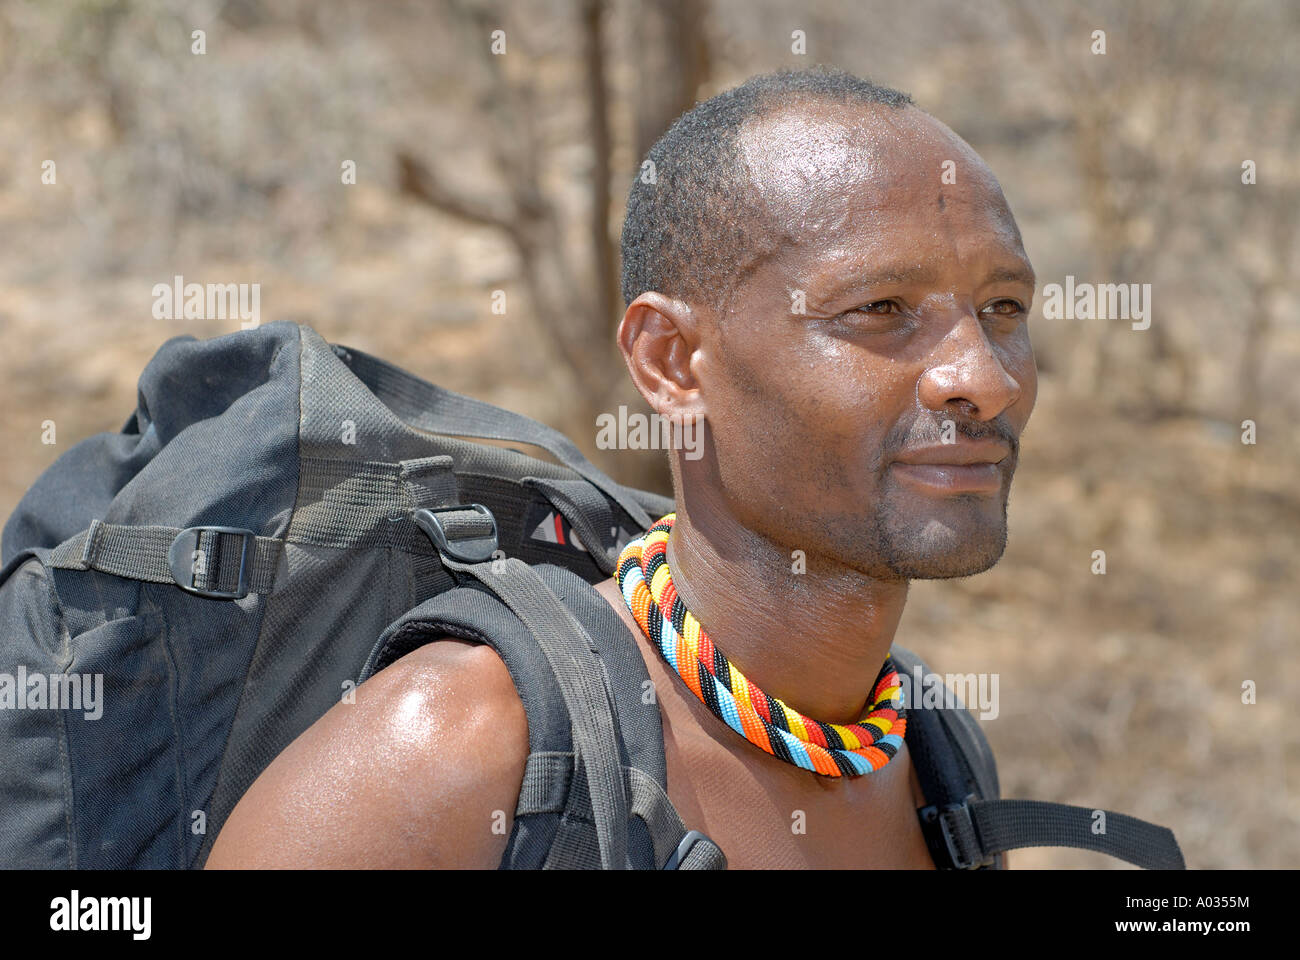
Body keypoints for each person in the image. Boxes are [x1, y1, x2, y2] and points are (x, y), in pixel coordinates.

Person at [206, 66, 1037, 869]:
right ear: (673, 364)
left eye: (1002, 308)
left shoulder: (926, 747)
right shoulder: (456, 752)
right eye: (881, 310)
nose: (987, 379)